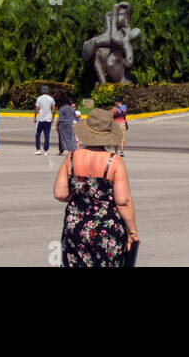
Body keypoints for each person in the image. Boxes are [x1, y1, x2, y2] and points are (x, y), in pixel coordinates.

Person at [54, 108, 139, 267]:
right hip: (106, 229)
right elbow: (123, 201)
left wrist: (81, 197)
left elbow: (59, 193)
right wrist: (132, 231)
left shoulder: (71, 157)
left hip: (75, 227)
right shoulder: (114, 162)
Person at [33, 86, 54, 155]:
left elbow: (37, 109)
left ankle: (38, 150)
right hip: (48, 120)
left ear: (42, 91)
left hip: (40, 119)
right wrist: (52, 118)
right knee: (47, 135)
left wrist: (35, 117)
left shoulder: (39, 98)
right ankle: (46, 151)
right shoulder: (51, 99)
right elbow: (54, 109)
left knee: (37, 134)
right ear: (47, 91)